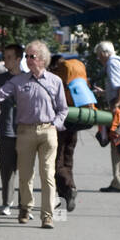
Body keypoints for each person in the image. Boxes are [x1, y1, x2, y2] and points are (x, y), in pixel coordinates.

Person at [0, 40, 67, 228]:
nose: (29, 60)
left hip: (48, 131)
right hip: (24, 131)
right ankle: (25, 208)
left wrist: (55, 124)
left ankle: (47, 215)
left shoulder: (55, 81)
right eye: (28, 56)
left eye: (33, 56)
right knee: (25, 174)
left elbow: (63, 109)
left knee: (47, 174)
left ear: (43, 59)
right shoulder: (18, 81)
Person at [49, 52, 93, 213]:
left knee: (57, 160)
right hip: (75, 119)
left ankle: (68, 189)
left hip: (61, 123)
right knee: (68, 158)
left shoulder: (55, 75)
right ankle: (66, 194)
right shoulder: (75, 73)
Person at [93, 40, 120, 193]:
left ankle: (119, 183)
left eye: (99, 56)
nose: (99, 59)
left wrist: (115, 105)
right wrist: (105, 93)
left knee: (119, 142)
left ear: (105, 54)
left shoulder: (112, 63)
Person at [0, 43, 22, 217]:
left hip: (25, 131)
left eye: (9, 57)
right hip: (6, 129)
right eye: (5, 57)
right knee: (7, 168)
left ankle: (24, 205)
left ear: (18, 59)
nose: (6, 61)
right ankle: (6, 203)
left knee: (25, 169)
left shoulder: (28, 77)